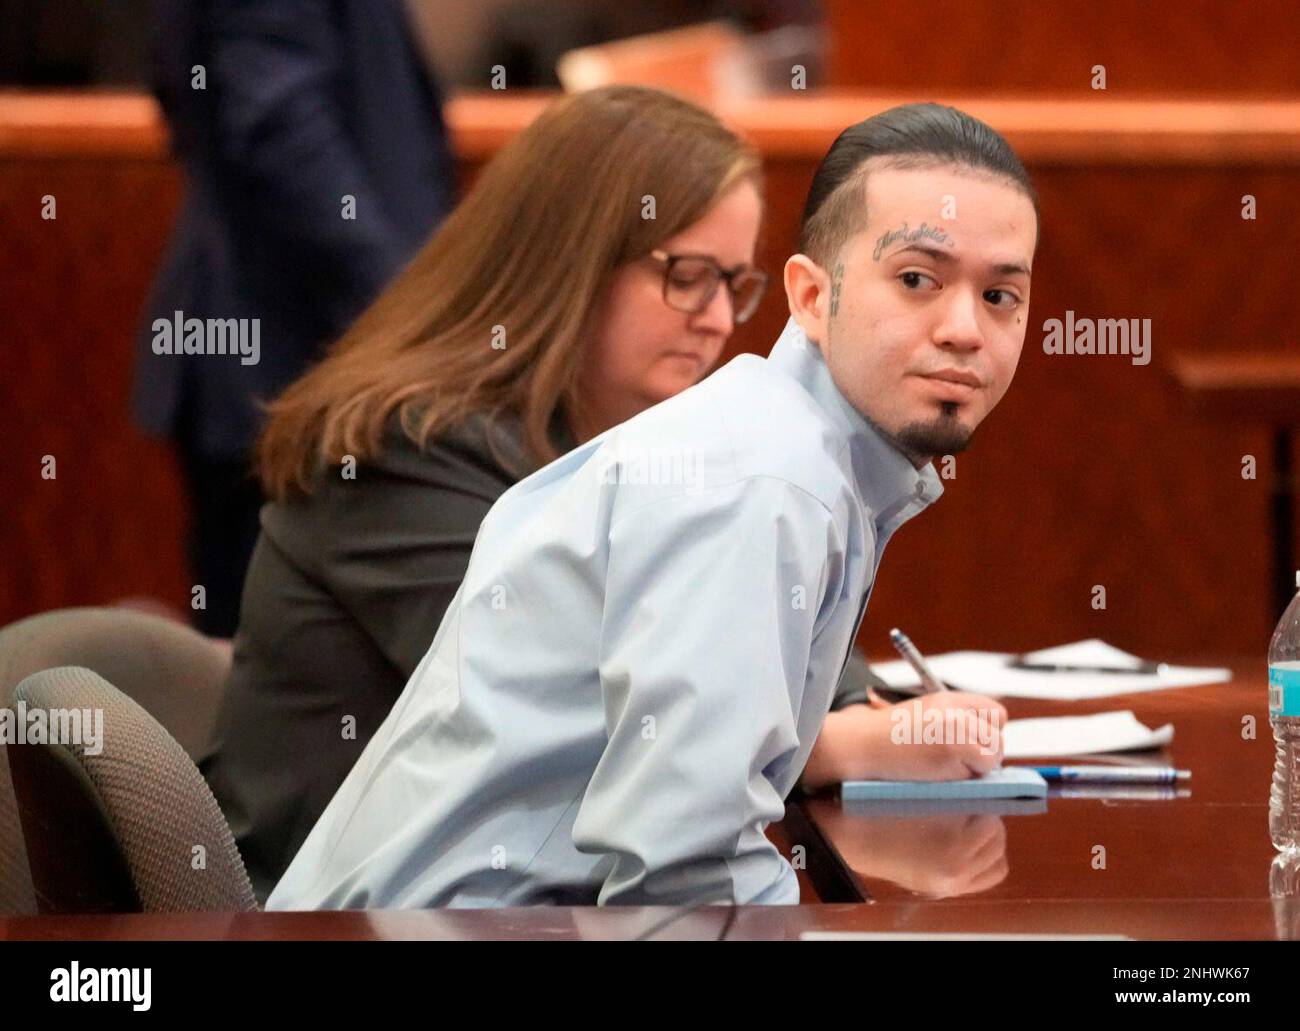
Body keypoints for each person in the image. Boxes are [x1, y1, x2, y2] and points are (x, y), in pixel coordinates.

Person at [265, 101, 1036, 910]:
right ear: (811, 297)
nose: (963, 329)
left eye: (1000, 296)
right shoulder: (760, 481)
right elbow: (685, 887)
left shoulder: (793, 459)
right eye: (917, 278)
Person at [203, 85, 769, 901]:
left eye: (735, 284)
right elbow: (600, 704)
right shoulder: (403, 447)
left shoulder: (616, 444)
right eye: (688, 276)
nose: (718, 319)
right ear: (569, 260)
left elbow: (729, 618)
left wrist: (857, 697)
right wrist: (839, 740)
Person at [133, 0, 455, 636]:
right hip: (286, 356)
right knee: (270, 668)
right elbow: (281, 133)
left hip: (304, 354)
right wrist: (412, 313)